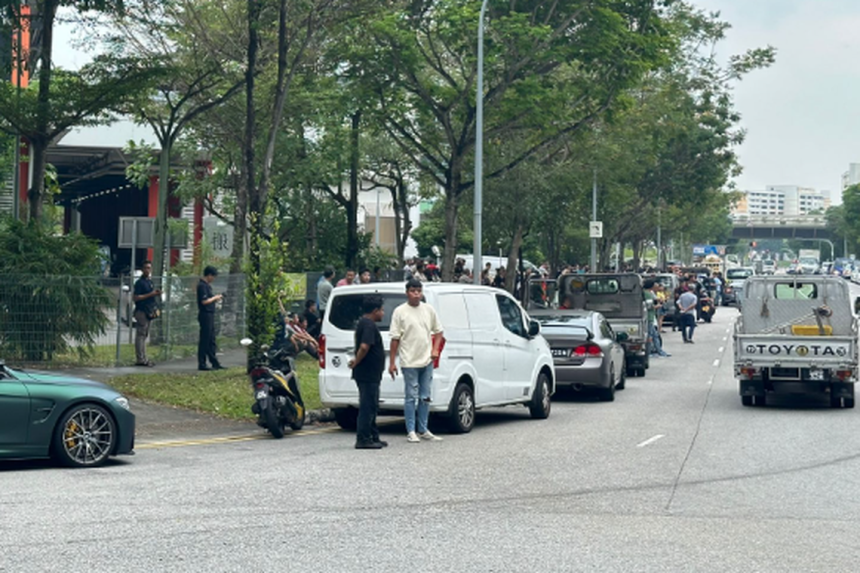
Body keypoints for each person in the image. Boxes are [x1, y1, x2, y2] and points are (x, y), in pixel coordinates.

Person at [389, 279, 444, 443]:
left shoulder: (428, 309)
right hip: (409, 361)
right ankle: (411, 430)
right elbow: (395, 338)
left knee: (425, 396)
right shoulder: (400, 312)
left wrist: (435, 349)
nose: (416, 294)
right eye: (413, 291)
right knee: (411, 396)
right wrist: (392, 362)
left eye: (419, 291)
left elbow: (439, 331)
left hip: (426, 359)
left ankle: (423, 428)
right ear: (407, 292)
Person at [348, 296, 388, 450]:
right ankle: (363, 438)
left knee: (372, 404)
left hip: (371, 373)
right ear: (375, 311)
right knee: (368, 406)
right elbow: (365, 347)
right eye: (382, 310)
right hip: (367, 373)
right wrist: (356, 361)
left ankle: (373, 435)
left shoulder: (364, 323)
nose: (383, 313)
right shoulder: (369, 325)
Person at [132, 260, 161, 367]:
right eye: (145, 268)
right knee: (141, 335)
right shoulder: (140, 283)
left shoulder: (150, 282)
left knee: (144, 335)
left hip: (149, 311)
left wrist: (156, 294)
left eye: (149, 268)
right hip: (141, 311)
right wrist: (150, 294)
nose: (147, 270)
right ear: (142, 269)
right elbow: (136, 297)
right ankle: (140, 359)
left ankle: (144, 358)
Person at [197, 266, 224, 370]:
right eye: (213, 277)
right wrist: (215, 298)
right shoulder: (202, 286)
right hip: (205, 314)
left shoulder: (207, 286)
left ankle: (214, 361)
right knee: (205, 339)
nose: (213, 279)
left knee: (211, 339)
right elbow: (204, 301)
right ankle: (202, 363)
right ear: (209, 275)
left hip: (210, 313)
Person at [644, 280, 670, 357]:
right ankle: (652, 352)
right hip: (649, 317)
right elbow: (649, 306)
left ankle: (658, 351)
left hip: (649, 317)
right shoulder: (648, 294)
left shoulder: (647, 293)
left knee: (654, 335)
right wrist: (657, 306)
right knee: (651, 336)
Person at [678, 279, 699, 344]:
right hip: (690, 313)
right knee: (692, 326)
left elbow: (678, 303)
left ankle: (684, 338)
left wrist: (682, 308)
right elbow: (693, 304)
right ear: (693, 289)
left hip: (682, 313)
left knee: (683, 326)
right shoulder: (694, 296)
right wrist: (687, 309)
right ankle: (689, 337)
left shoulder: (682, 295)